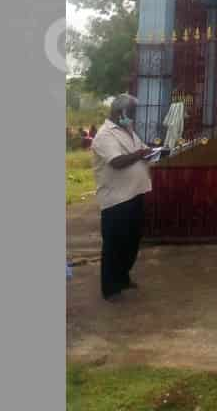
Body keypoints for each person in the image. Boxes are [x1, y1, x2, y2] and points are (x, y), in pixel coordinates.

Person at [90, 95, 155, 301]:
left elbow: (140, 149)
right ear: (122, 113)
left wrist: (152, 152)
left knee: (131, 241)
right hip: (116, 199)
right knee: (114, 243)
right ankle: (110, 288)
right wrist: (140, 153)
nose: (134, 117)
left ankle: (123, 277)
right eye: (132, 113)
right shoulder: (105, 135)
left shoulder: (128, 131)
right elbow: (117, 161)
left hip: (134, 194)